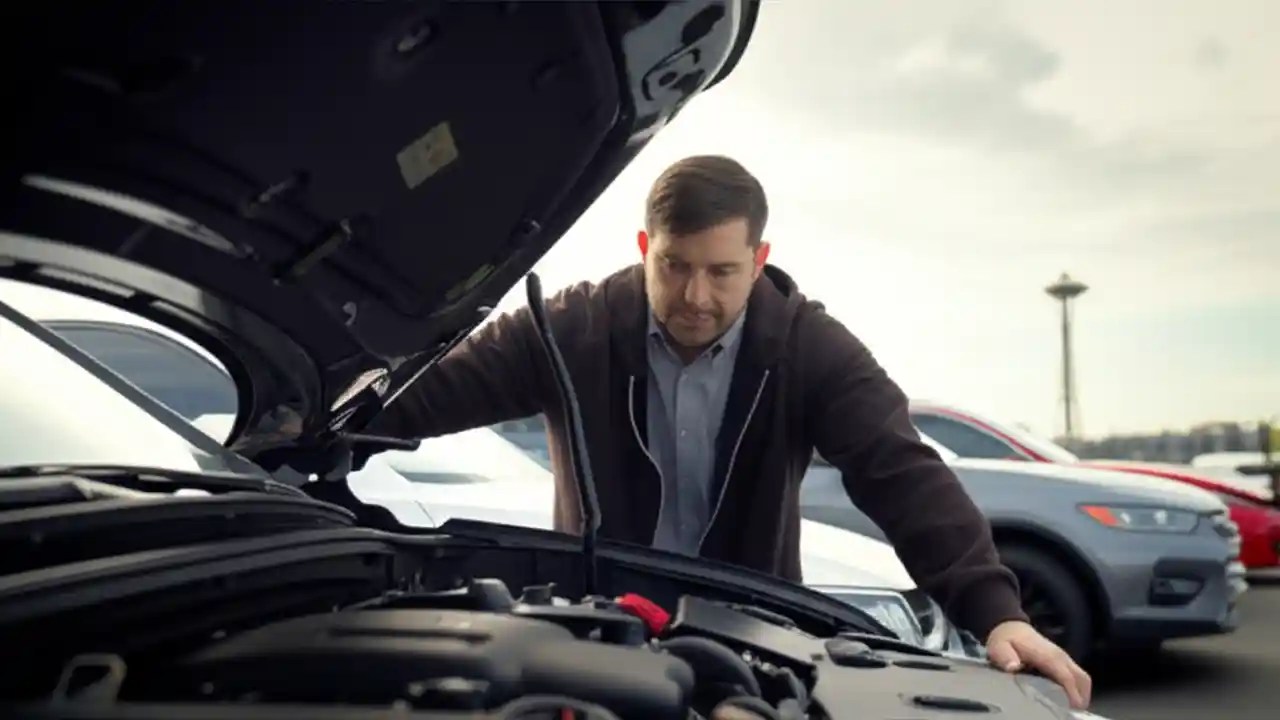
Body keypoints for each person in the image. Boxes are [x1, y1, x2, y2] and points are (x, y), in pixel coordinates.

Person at [366, 154, 1092, 709]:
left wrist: (996, 614)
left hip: (753, 644)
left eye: (721, 272)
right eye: (674, 266)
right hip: (590, 633)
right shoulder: (570, 329)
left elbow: (900, 471)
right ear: (645, 244)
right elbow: (421, 395)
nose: (695, 297)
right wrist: (308, 431)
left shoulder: (808, 346)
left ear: (760, 260)